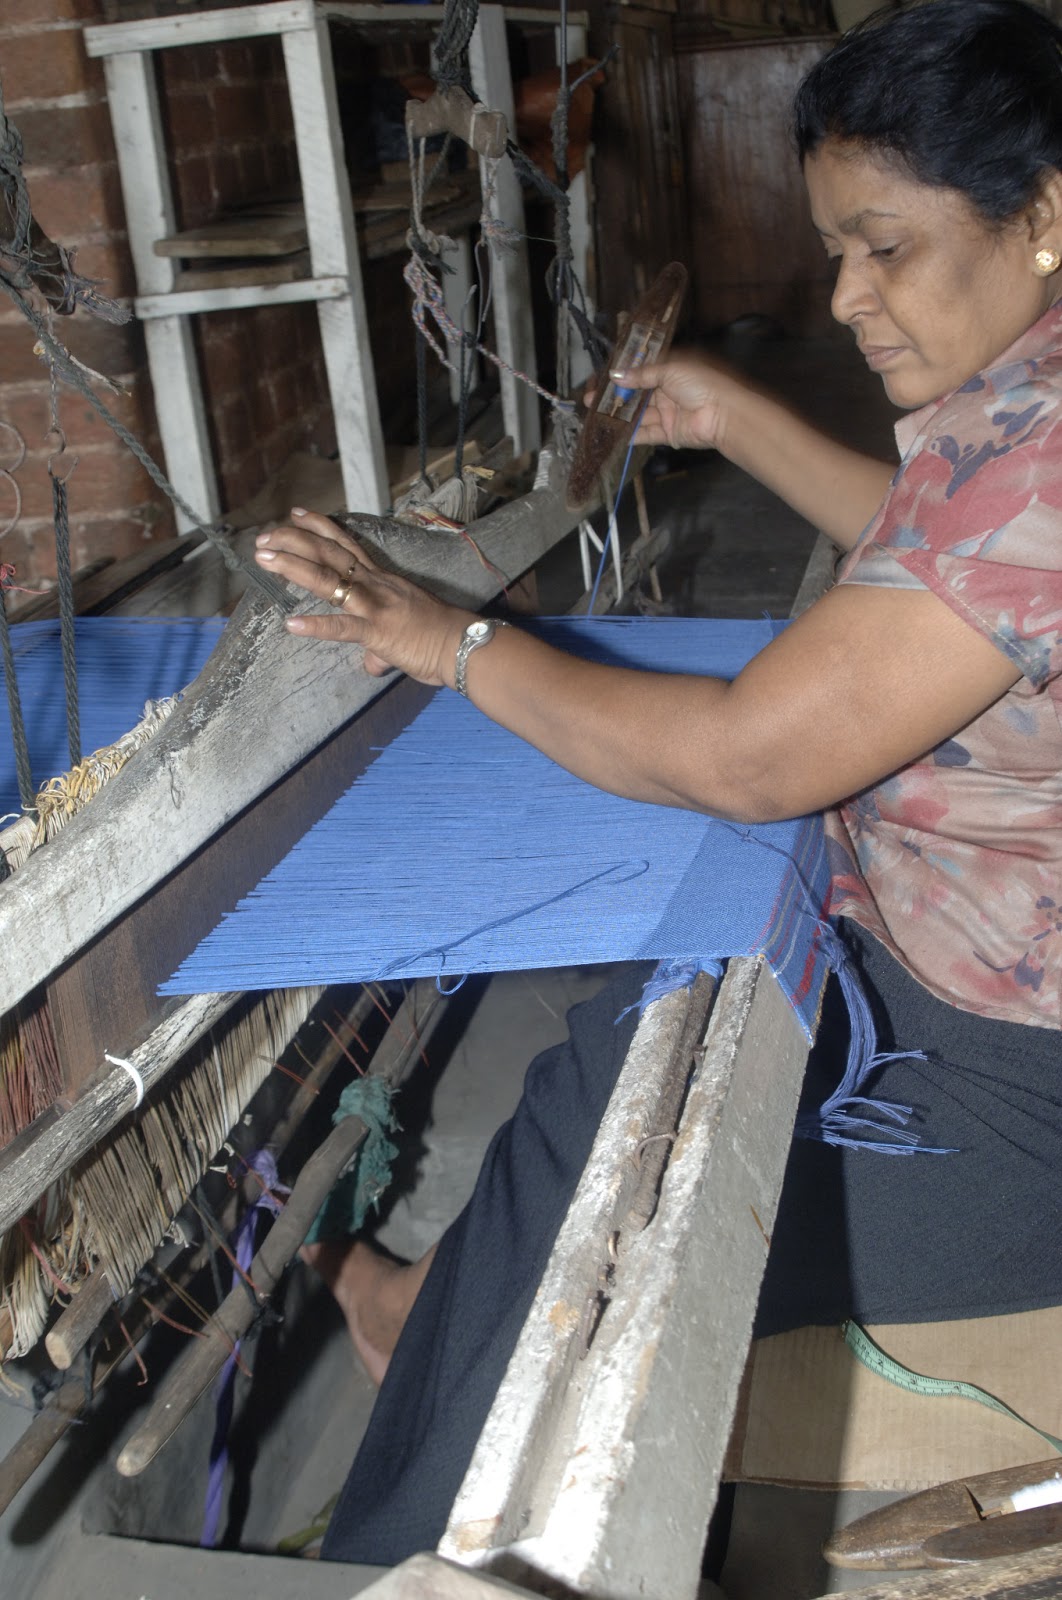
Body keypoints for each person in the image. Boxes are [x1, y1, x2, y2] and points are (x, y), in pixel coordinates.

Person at [254, 0, 1062, 1564]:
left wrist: (448, 641)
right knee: (611, 1045)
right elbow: (936, 547)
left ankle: (414, 1548)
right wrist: (735, 415)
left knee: (609, 1201)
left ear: (1042, 215)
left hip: (1013, 1107)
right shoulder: (1024, 402)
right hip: (971, 1002)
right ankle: (434, 1317)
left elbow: (750, 759)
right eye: (838, 250)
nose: (844, 296)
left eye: (882, 248)